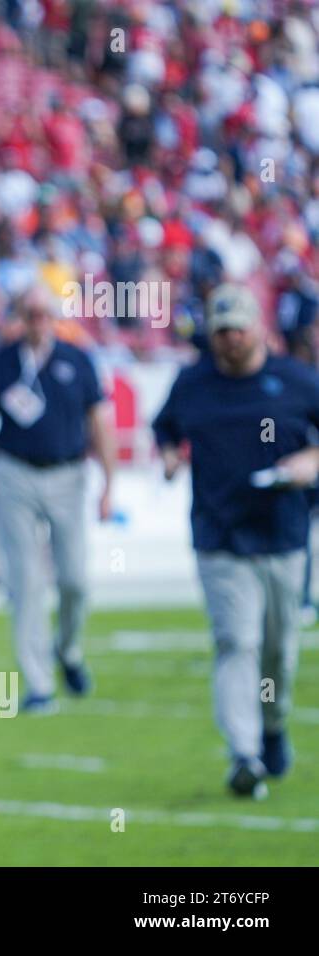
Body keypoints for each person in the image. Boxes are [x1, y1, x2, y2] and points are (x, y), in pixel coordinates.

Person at [152, 283, 319, 799]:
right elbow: (164, 429)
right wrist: (171, 456)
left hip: (282, 534)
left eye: (238, 329)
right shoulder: (193, 382)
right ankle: (243, 753)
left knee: (277, 653)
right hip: (219, 535)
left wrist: (307, 465)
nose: (229, 340)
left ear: (258, 328)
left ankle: (272, 724)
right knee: (236, 642)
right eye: (221, 331)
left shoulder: (296, 382)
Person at [0, 283, 116, 713]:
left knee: (74, 580)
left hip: (68, 474)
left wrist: (109, 485)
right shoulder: (2, 362)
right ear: (19, 316)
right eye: (29, 313)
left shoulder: (77, 359)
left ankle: (67, 649)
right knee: (26, 581)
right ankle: (38, 681)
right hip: (15, 473)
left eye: (43, 313)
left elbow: (100, 422)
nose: (37, 322)